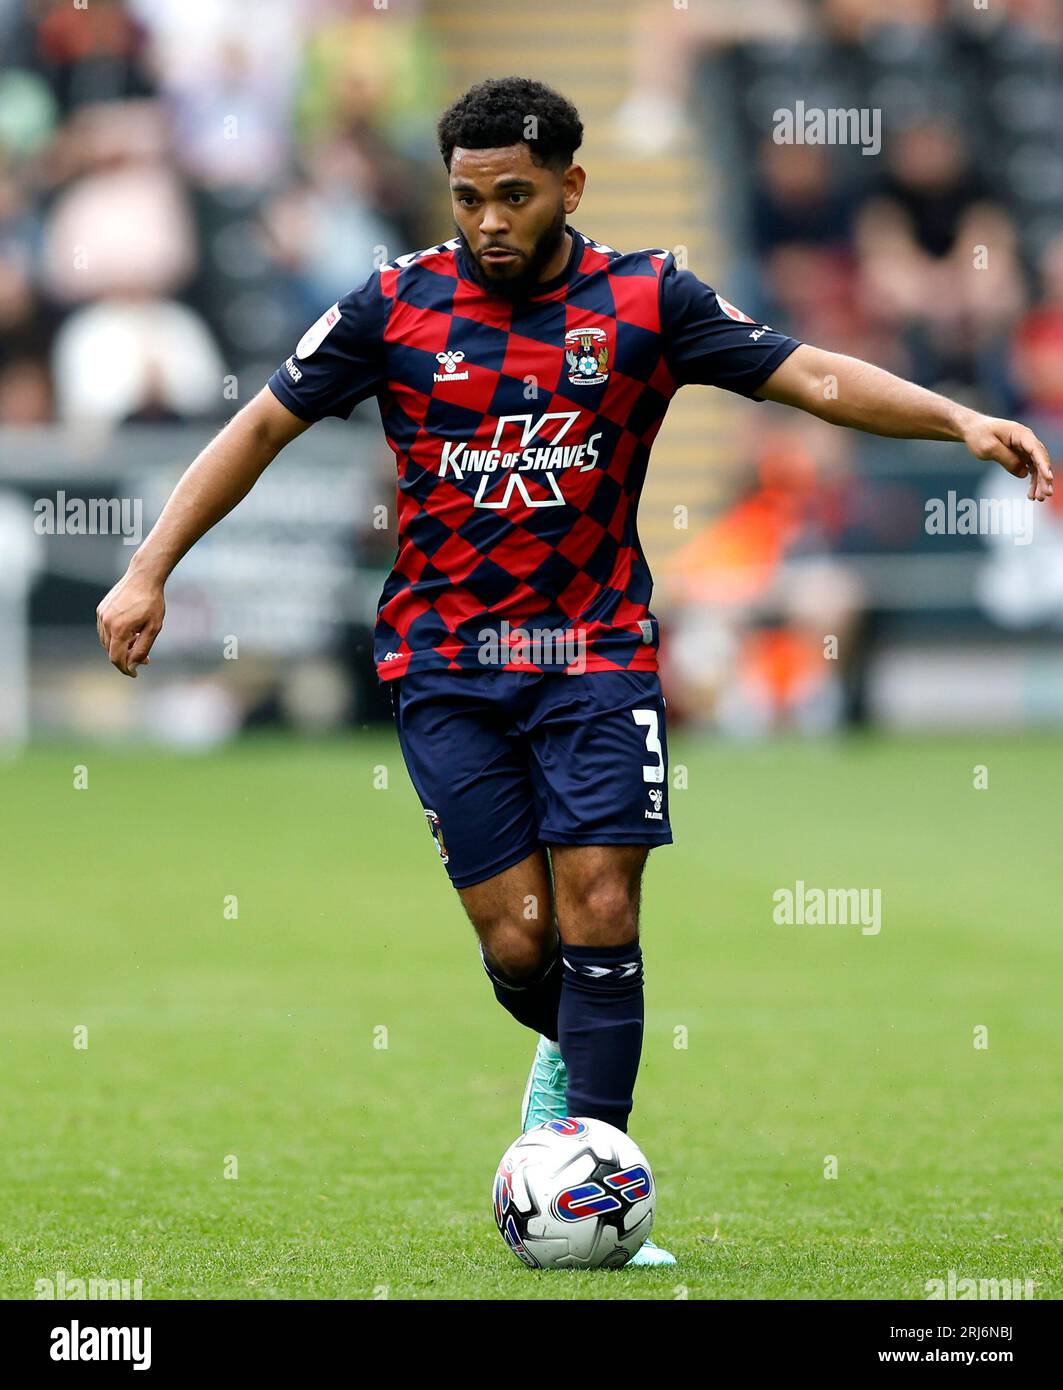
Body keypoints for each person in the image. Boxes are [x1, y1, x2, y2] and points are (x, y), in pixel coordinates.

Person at [96, 76, 1053, 1269]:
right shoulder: (393, 306)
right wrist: (149, 569)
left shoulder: (647, 298)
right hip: (443, 661)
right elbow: (256, 432)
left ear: (568, 185)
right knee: (518, 943)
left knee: (602, 909)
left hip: (593, 654)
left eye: (513, 195)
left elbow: (811, 376)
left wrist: (956, 418)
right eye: (467, 198)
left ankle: (594, 1179)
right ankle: (570, 1053)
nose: (488, 220)